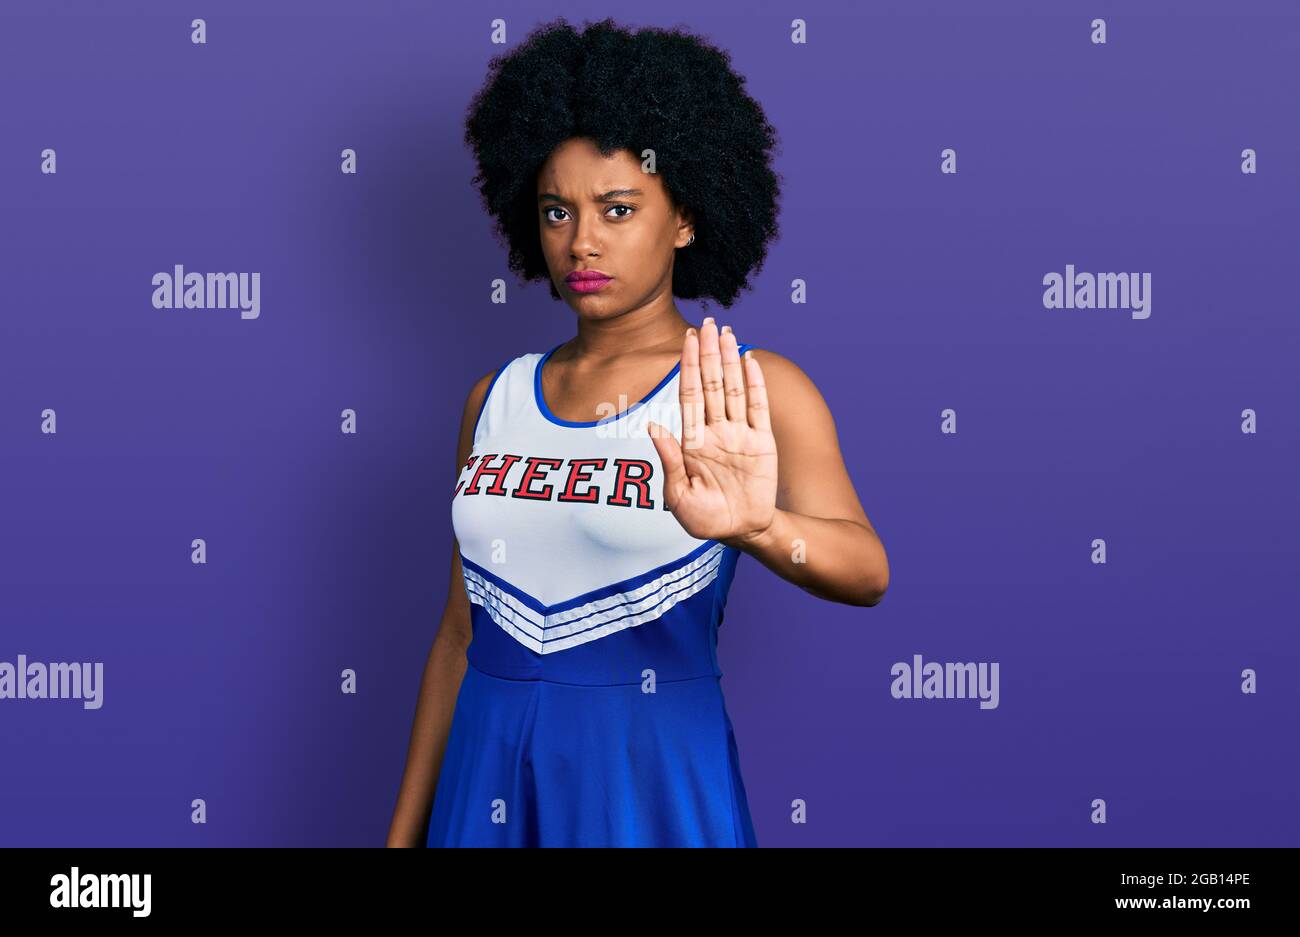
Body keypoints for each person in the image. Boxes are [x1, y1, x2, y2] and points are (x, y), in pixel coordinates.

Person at [387, 17, 888, 848]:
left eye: (618, 209)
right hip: (488, 772)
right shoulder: (495, 398)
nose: (581, 241)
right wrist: (404, 835)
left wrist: (762, 527)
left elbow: (867, 571)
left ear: (685, 218)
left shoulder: (748, 388)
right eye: (557, 211)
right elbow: (456, 636)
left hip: (647, 772)